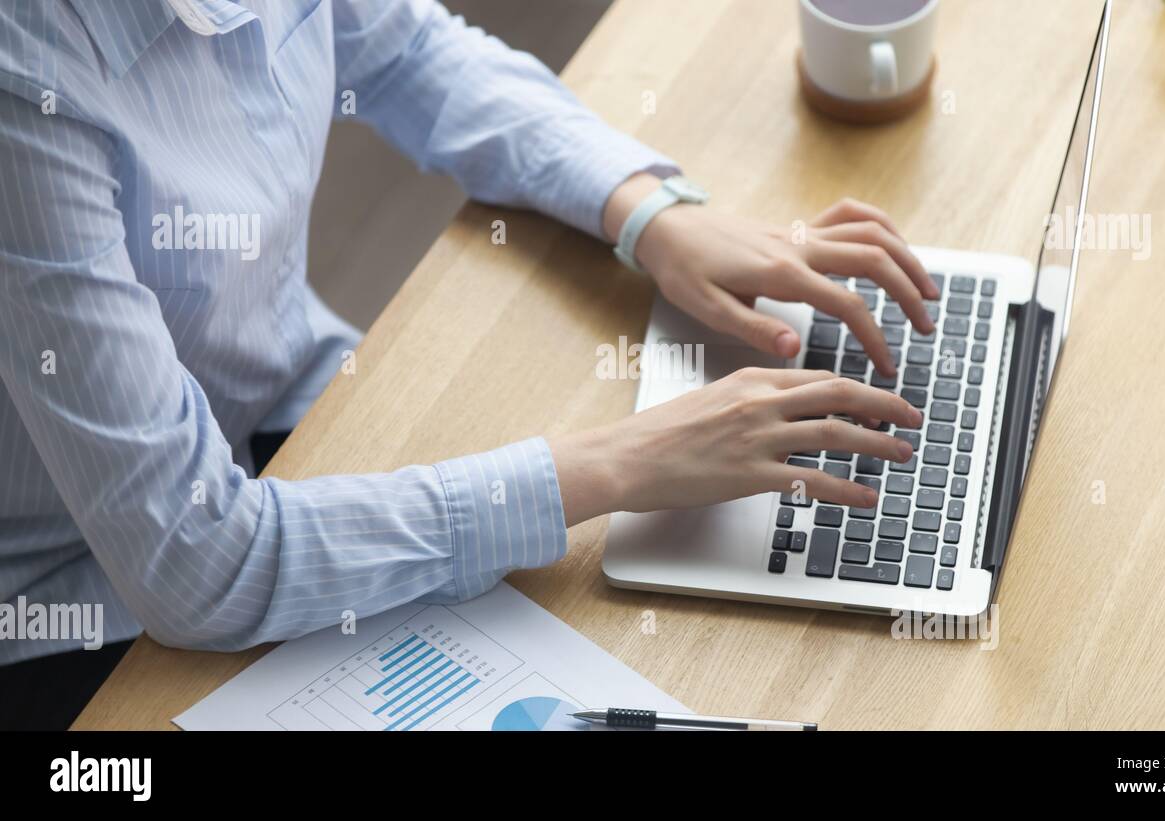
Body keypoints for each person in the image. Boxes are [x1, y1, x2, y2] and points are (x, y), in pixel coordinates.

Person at [0, 0, 934, 727]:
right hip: (76, 599)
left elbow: (413, 58)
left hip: (274, 401)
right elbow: (197, 565)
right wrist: (618, 464)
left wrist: (648, 212)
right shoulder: (25, 86)